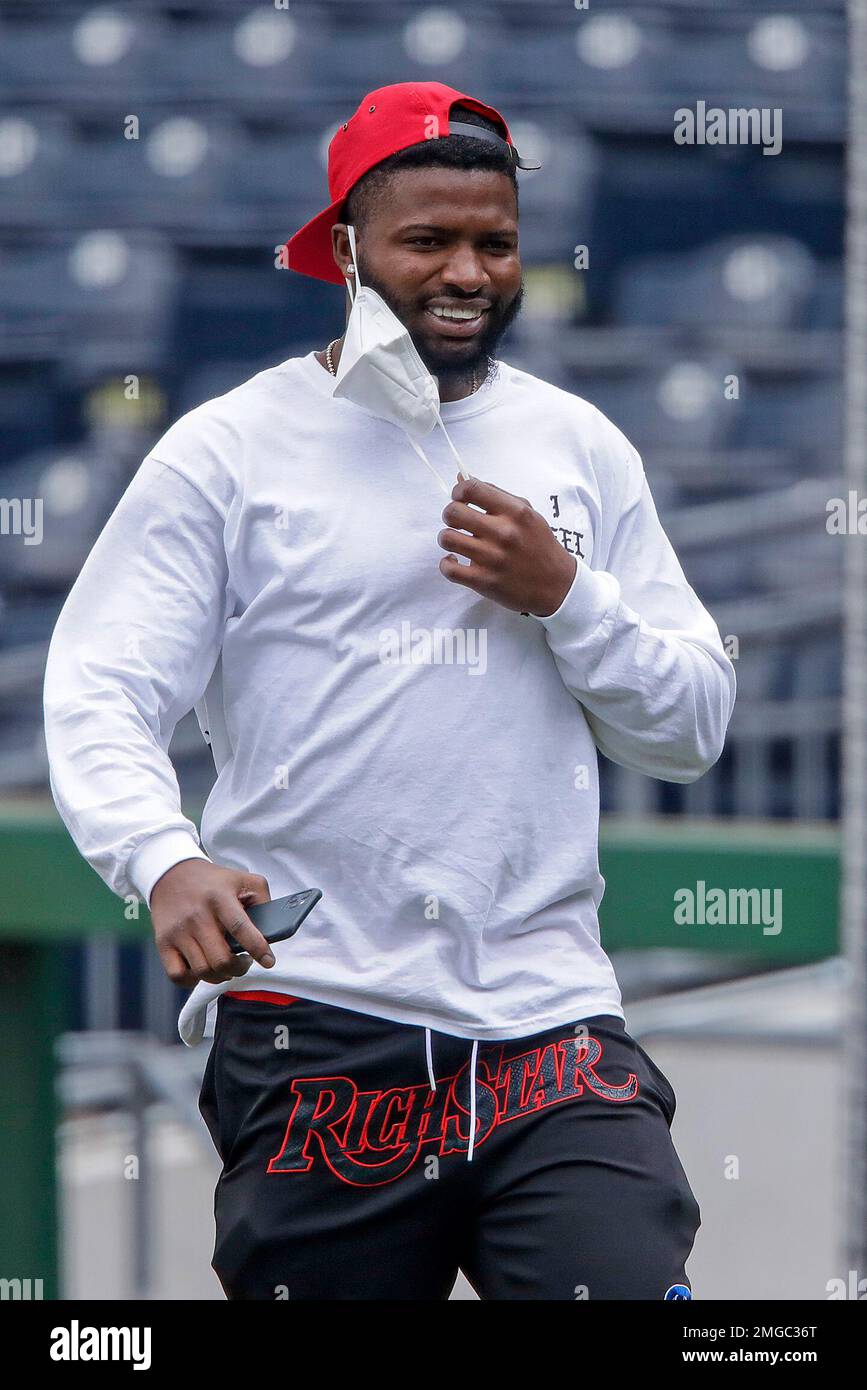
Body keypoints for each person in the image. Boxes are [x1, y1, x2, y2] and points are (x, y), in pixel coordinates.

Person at [43, 81, 736, 1300]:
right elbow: (100, 684)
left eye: (496, 241)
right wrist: (163, 857)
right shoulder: (228, 447)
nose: (467, 269)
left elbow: (691, 727)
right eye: (428, 240)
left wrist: (567, 593)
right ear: (346, 247)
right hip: (314, 1028)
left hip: (551, 1026)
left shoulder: (583, 445)